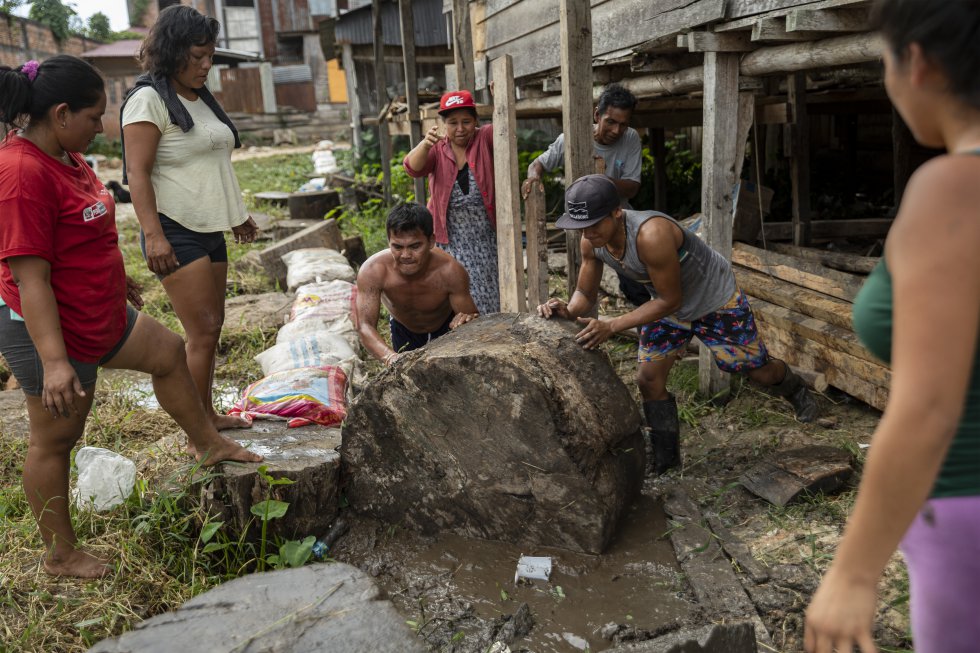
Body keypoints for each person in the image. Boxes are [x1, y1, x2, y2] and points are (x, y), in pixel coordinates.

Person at [0, 55, 261, 579]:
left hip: (98, 308)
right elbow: (31, 280)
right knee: (55, 440)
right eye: (96, 117)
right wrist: (54, 363)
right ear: (61, 113)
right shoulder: (21, 173)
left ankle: (207, 445)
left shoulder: (67, 156)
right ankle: (60, 556)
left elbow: (82, 234)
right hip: (50, 329)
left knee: (168, 354)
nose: (102, 128)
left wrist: (119, 282)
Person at [804, 2, 980, 652]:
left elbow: (930, 404)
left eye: (882, 61)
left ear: (918, 62)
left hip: (966, 510)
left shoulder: (954, 188)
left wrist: (853, 571)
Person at [536, 175, 818, 474]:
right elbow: (585, 294)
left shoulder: (650, 234)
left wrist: (613, 324)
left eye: (594, 224)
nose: (588, 233)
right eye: (582, 227)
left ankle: (796, 389)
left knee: (757, 371)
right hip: (665, 304)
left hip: (714, 300)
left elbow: (671, 299)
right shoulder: (592, 242)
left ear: (616, 211)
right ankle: (666, 460)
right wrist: (565, 310)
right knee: (648, 379)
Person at [122, 5, 258, 433]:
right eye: (197, 56)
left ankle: (208, 416)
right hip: (173, 229)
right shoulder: (147, 99)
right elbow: (136, 174)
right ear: (171, 50)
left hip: (210, 230)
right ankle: (198, 435)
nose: (205, 65)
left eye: (210, 56)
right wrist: (153, 235)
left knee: (212, 330)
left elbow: (212, 164)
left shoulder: (200, 99)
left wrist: (236, 215)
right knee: (201, 331)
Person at [522, 83, 649, 306]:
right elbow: (538, 164)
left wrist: (599, 183)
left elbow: (632, 186)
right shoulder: (571, 138)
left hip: (617, 222)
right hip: (581, 221)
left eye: (623, 124)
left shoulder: (630, 139)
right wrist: (533, 177)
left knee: (636, 285)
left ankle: (648, 330)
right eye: (610, 122)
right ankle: (577, 319)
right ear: (597, 114)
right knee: (582, 280)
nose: (616, 131)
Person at [403, 90, 499, 315]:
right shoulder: (437, 148)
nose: (460, 128)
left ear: (475, 120)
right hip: (451, 235)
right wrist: (426, 144)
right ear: (444, 124)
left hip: (486, 233)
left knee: (489, 285)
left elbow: (506, 131)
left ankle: (493, 331)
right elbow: (412, 168)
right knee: (456, 285)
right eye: (453, 122)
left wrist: (500, 100)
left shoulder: (484, 137)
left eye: (466, 121)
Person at [356, 203, 479, 365]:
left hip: (445, 328)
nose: (406, 255)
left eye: (415, 246)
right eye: (397, 247)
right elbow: (365, 326)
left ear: (431, 241)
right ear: (388, 242)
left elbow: (472, 321)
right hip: (403, 330)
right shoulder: (373, 271)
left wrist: (465, 320)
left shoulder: (451, 272)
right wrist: (390, 357)